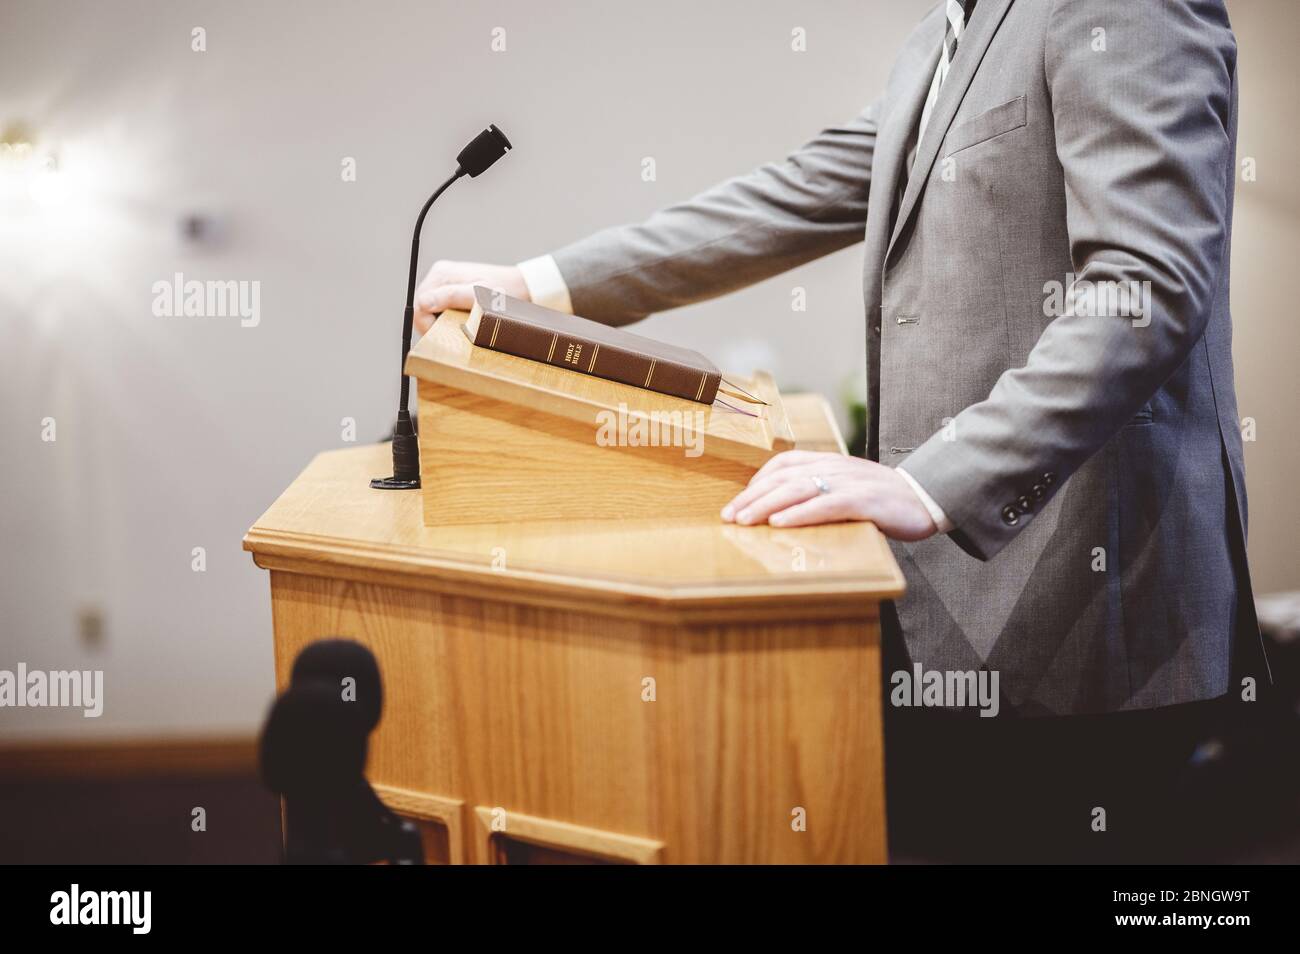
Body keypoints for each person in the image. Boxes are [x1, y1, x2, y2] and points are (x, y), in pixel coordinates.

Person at [413, 0, 1266, 861]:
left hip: (1095, 623)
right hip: (949, 615)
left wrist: (933, 482)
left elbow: (1145, 286)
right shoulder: (941, 37)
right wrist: (539, 284)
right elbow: (788, 196)